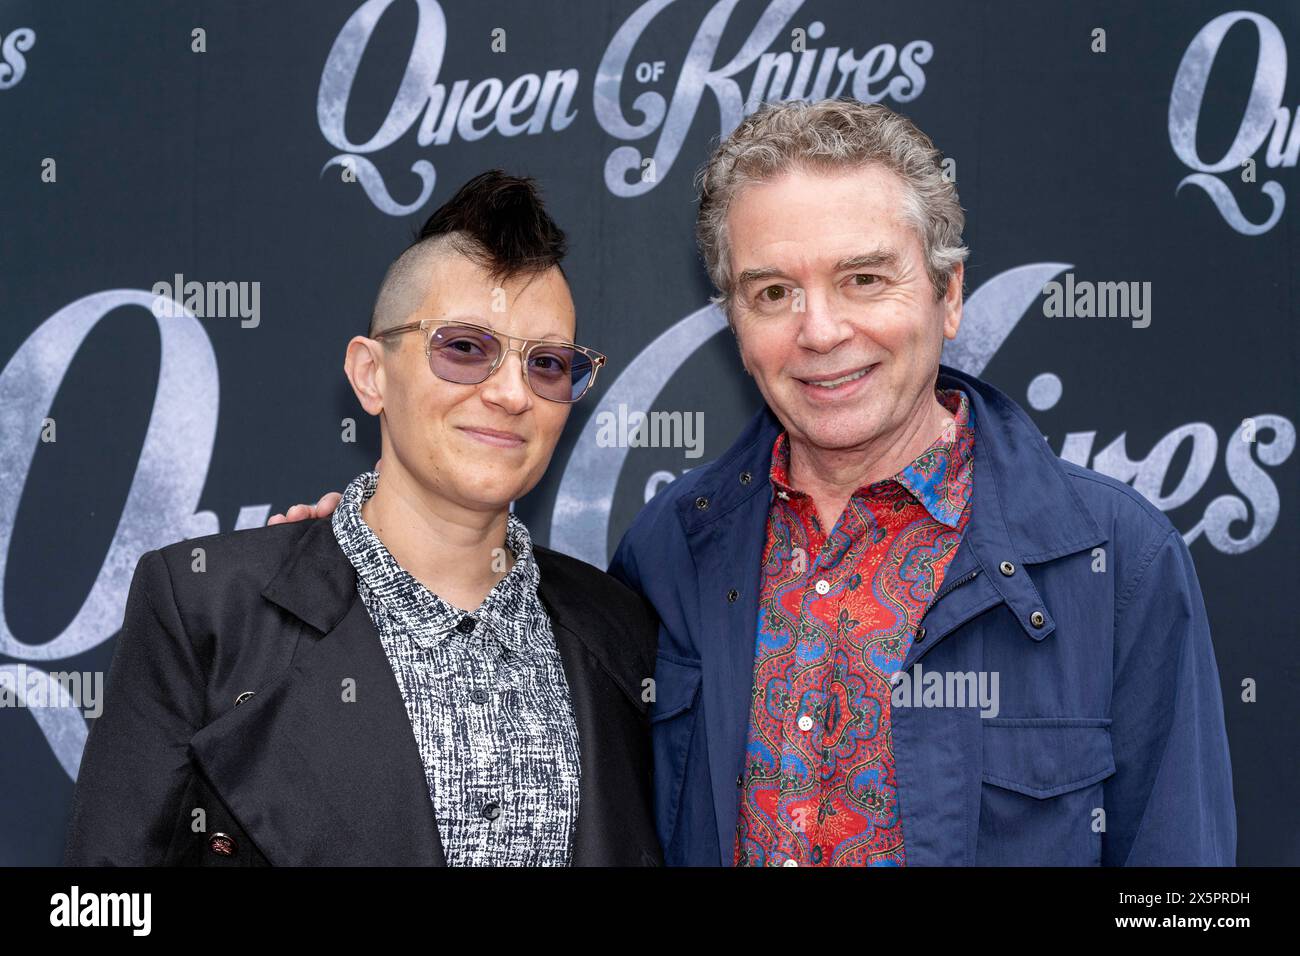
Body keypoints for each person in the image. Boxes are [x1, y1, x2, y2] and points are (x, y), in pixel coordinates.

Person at [279, 99, 1237, 867]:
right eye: (772, 291)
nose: (818, 331)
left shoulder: (1115, 560)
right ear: (731, 317)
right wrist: (363, 566)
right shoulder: (669, 550)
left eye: (864, 279)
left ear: (947, 296)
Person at [65, 170, 662, 867]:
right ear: (371, 374)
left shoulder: (622, 630)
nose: (510, 393)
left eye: (548, 363)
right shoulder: (209, 612)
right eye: (465, 348)